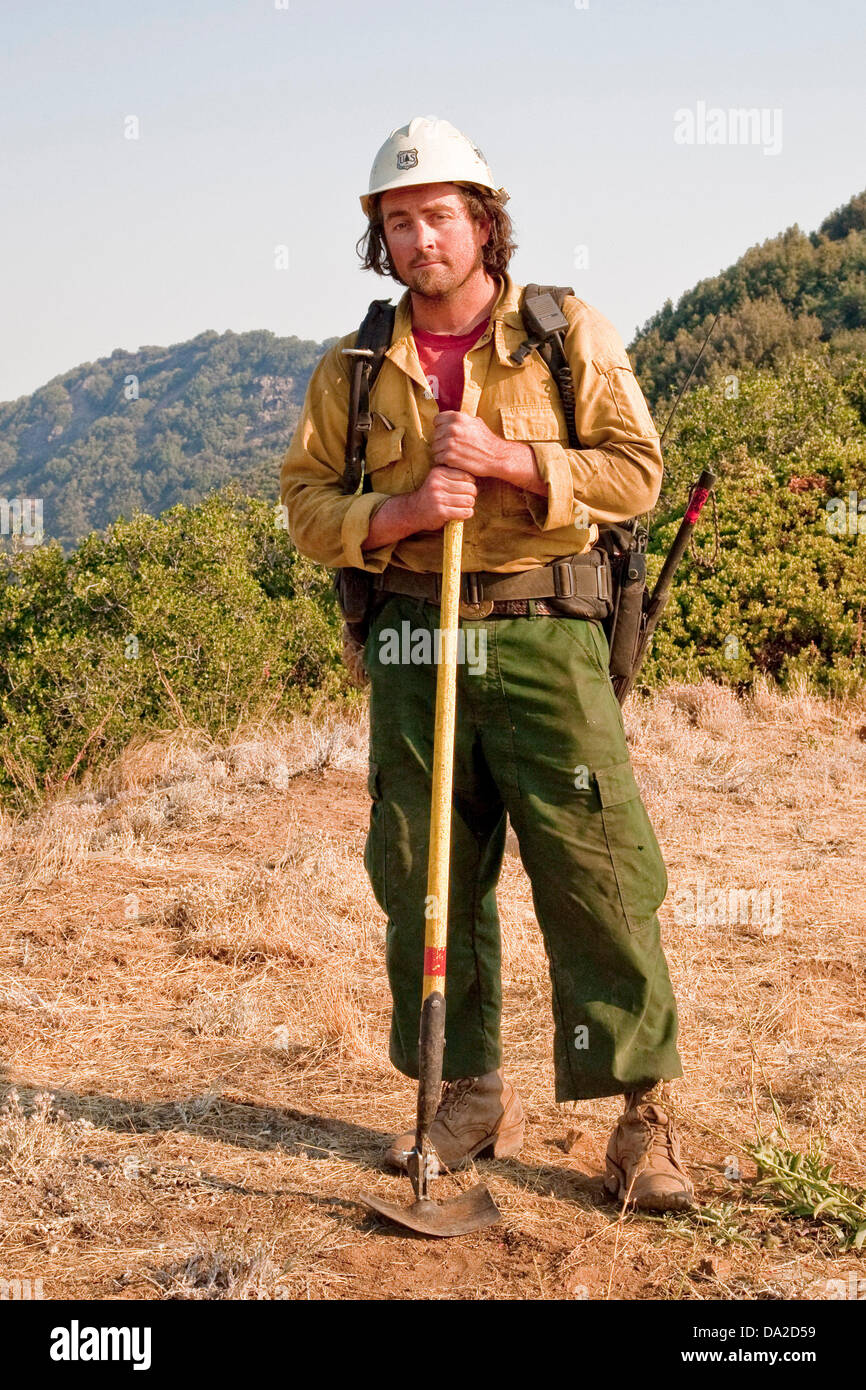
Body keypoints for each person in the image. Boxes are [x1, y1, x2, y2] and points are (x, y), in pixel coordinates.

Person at [280, 116, 694, 1211]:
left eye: (440, 217)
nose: (421, 239)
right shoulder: (358, 365)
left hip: (546, 627)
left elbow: (637, 471)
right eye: (399, 221)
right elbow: (304, 503)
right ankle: (460, 1093)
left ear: (483, 225)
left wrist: (512, 461)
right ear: (381, 239)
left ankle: (638, 1118)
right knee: (425, 874)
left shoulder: (563, 331)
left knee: (595, 868)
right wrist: (402, 510)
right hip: (416, 636)